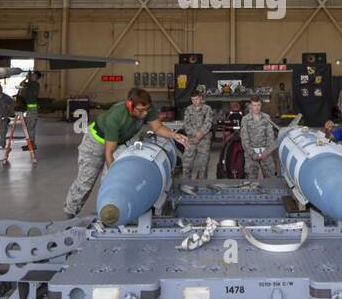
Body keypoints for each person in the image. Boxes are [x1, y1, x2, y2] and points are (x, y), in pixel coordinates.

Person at [64, 88, 187, 217]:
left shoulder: (147, 109)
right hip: (95, 143)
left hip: (120, 142)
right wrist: (114, 175)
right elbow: (109, 152)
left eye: (147, 109)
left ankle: (109, 212)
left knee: (109, 181)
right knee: (86, 181)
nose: (145, 113)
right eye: (141, 110)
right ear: (129, 105)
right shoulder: (117, 116)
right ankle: (70, 212)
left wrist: (175, 135)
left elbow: (157, 127)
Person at [240, 95, 277, 179]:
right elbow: (244, 139)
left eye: (258, 105)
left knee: (271, 176)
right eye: (254, 105)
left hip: (265, 152)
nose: (256, 108)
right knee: (251, 177)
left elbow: (270, 136)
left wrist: (266, 152)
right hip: (251, 153)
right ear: (250, 106)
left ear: (261, 105)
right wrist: (253, 154)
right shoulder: (245, 119)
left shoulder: (266, 117)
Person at [182, 88, 215, 179]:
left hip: (204, 140)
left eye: (196, 99)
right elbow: (186, 124)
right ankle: (186, 184)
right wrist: (195, 134)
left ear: (201, 98)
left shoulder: (207, 109)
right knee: (186, 164)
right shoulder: (188, 110)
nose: (195, 101)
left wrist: (200, 135)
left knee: (203, 165)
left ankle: (202, 187)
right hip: (191, 139)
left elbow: (208, 123)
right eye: (193, 99)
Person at [17, 70, 41, 152]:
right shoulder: (30, 84)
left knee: (30, 128)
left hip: (32, 110)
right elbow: (21, 85)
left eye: (33, 75)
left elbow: (24, 85)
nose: (31, 76)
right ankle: (30, 144)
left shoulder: (34, 84)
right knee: (29, 128)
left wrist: (27, 78)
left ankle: (31, 145)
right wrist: (26, 78)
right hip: (29, 109)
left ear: (36, 77)